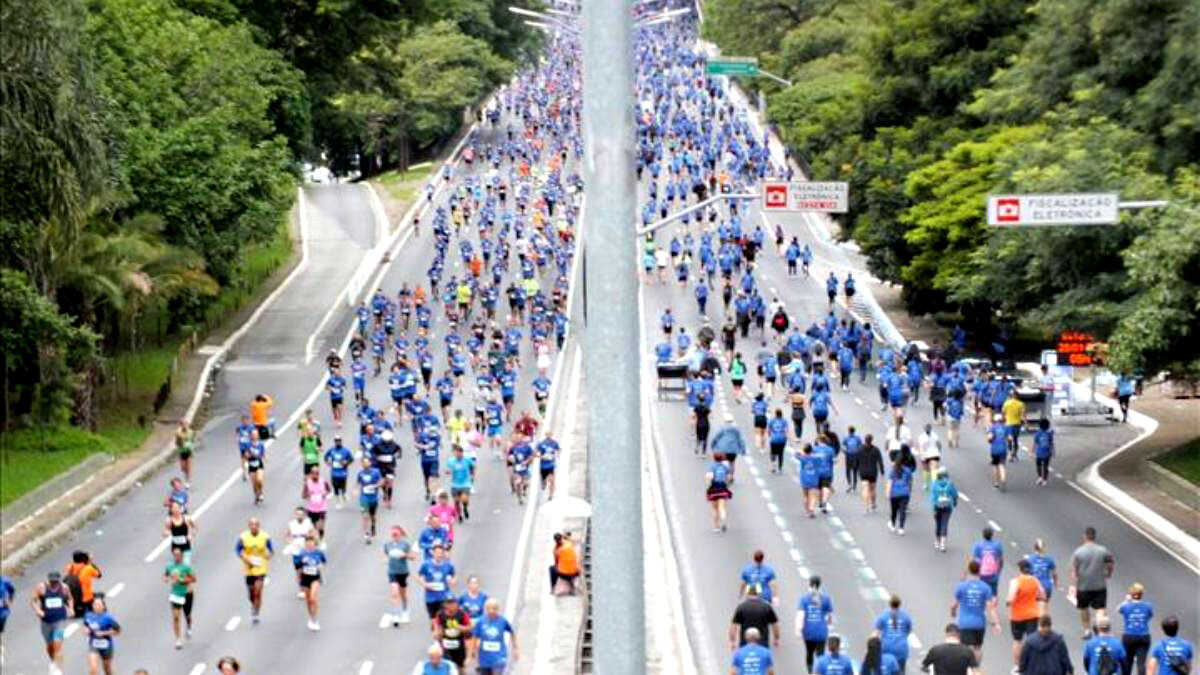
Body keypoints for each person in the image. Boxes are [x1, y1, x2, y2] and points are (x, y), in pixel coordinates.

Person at [952, 560, 1002, 661]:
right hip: (979, 624)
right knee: (977, 648)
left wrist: (952, 611)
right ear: (980, 571)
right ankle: (976, 668)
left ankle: (965, 668)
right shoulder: (986, 588)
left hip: (964, 623)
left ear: (969, 570)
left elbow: (954, 604)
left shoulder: (961, 586)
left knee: (964, 648)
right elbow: (990, 608)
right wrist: (996, 623)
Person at [1071, 527, 1115, 637]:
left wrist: (1074, 584)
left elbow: (1074, 570)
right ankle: (1100, 629)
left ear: (1085, 536)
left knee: (1083, 608)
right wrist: (1108, 574)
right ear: (1094, 537)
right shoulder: (1103, 550)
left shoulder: (1079, 552)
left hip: (1083, 585)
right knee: (1100, 608)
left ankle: (1087, 630)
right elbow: (1110, 563)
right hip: (1099, 584)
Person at [1010, 559, 1049, 669]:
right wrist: (1035, 598)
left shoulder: (1016, 581)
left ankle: (1017, 665)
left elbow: (1010, 598)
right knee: (1031, 639)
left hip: (1017, 615)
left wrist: (1010, 602)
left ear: (1020, 569)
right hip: (1032, 615)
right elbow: (1043, 595)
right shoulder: (1035, 581)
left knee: (1017, 641)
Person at [31, 571, 72, 674]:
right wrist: (38, 611)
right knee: (50, 646)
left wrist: (71, 608)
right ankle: (53, 662)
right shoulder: (41, 588)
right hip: (46, 621)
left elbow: (70, 598)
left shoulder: (64, 588)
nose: (54, 583)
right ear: (48, 580)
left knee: (57, 644)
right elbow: (32, 600)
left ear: (59, 580)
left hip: (60, 620)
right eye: (52, 581)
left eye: (56, 581)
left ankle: (58, 669)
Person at [235, 517, 272, 624]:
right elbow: (238, 549)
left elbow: (270, 550)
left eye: (256, 524)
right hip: (249, 567)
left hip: (261, 567)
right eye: (251, 524)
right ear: (249, 526)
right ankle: (253, 604)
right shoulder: (243, 537)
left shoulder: (265, 536)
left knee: (258, 591)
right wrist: (244, 557)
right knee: (251, 593)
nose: (254, 526)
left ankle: (256, 613)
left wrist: (268, 555)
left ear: (259, 526)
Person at [796, 576, 834, 672]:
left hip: (808, 631)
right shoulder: (826, 598)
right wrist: (829, 625)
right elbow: (830, 615)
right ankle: (820, 671)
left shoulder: (804, 599)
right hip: (821, 630)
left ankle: (810, 672)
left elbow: (800, 615)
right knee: (821, 654)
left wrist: (799, 630)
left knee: (809, 652)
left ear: (809, 584)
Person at [471, 599, 518, 674]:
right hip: (484, 657)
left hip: (499, 656)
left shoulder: (503, 621)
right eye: (489, 608)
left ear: (498, 609)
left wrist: (515, 648)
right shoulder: (480, 621)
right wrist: (472, 651)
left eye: (494, 608)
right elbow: (475, 636)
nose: (491, 611)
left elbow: (512, 632)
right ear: (485, 609)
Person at [383, 525, 417, 626]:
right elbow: (385, 555)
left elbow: (413, 557)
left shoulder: (405, 544)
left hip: (403, 571)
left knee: (402, 594)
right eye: (392, 534)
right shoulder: (387, 544)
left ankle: (405, 611)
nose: (394, 535)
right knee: (394, 592)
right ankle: (396, 614)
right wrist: (385, 559)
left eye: (396, 534)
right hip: (392, 571)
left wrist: (404, 555)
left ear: (400, 534)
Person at [731, 585, 780, 653]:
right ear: (759, 593)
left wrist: (733, 641)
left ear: (747, 593)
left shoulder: (741, 607)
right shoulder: (767, 607)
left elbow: (734, 626)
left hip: (745, 643)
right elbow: (775, 625)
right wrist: (776, 638)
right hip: (762, 643)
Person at [1117, 584, 1154, 675]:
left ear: (1131, 594)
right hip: (1144, 635)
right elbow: (1150, 616)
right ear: (1142, 594)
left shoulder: (1126, 606)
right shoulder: (1147, 606)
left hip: (1129, 636)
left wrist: (1126, 600)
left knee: (1127, 662)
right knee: (1141, 662)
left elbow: (1118, 609)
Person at [164, 547, 196, 648]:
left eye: (178, 555)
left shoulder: (186, 567)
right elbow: (166, 575)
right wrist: (167, 579)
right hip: (175, 594)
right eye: (175, 555)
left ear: (182, 556)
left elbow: (193, 579)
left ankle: (189, 626)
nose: (177, 557)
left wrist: (181, 580)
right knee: (176, 617)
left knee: (187, 614)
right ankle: (178, 639)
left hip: (186, 593)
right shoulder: (170, 566)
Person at [83, 596, 121, 675]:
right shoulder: (88, 615)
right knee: (93, 668)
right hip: (93, 644)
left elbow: (118, 631)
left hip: (106, 646)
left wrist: (104, 633)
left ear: (103, 606)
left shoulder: (108, 618)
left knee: (107, 669)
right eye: (95, 604)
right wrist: (86, 630)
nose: (97, 606)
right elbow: (86, 625)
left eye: (99, 605)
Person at [874, 595, 914, 671]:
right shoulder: (906, 616)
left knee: (887, 669)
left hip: (886, 647)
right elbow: (909, 630)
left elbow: (877, 632)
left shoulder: (883, 615)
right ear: (899, 604)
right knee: (900, 670)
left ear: (890, 604)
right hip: (901, 647)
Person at [433, 595, 473, 669]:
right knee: (447, 667)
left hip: (459, 645)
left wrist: (460, 627)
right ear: (444, 604)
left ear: (456, 604)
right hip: (446, 646)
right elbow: (437, 625)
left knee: (461, 667)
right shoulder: (441, 614)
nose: (450, 605)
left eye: (452, 603)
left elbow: (469, 627)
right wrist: (437, 632)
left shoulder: (462, 614)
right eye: (448, 603)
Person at [419, 544, 456, 619]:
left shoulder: (448, 565)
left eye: (441, 553)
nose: (439, 555)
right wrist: (425, 584)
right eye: (437, 553)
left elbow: (454, 576)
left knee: (442, 619)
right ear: (433, 553)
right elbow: (420, 575)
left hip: (443, 596)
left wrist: (452, 581)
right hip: (430, 597)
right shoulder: (426, 564)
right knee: (433, 620)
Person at [296, 535, 326, 630]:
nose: (309, 544)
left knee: (313, 598)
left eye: (311, 542)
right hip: (305, 578)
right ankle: (311, 618)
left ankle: (315, 620)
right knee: (308, 600)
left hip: (315, 578)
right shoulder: (301, 553)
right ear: (305, 543)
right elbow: (298, 567)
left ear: (314, 543)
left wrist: (320, 566)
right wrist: (299, 578)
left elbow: (323, 562)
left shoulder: (319, 552)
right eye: (307, 542)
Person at [65, 550, 103, 618]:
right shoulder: (88, 568)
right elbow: (99, 575)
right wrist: (90, 562)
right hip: (86, 598)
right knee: (101, 595)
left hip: (72, 597)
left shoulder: (69, 567)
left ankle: (74, 608)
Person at [929, 467, 958, 551]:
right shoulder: (950, 484)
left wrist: (933, 507)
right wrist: (955, 502)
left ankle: (937, 541)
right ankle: (943, 544)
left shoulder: (934, 484)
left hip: (937, 506)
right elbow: (955, 494)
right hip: (947, 506)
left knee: (938, 524)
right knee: (944, 524)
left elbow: (933, 497)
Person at [971, 526, 1005, 596]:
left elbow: (973, 561)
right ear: (992, 535)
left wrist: (973, 573)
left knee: (981, 592)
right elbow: (1001, 560)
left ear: (983, 535)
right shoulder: (997, 545)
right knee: (993, 593)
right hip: (993, 574)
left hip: (981, 573)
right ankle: (993, 605)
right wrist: (998, 572)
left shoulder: (978, 545)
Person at [1026, 539, 1059, 607]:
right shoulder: (1049, 560)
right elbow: (1054, 574)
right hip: (1046, 586)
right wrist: (1056, 584)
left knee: (1031, 606)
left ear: (1034, 548)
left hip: (1033, 586)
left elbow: (1026, 574)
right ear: (1044, 548)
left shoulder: (1030, 559)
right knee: (1044, 607)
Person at [357, 455, 383, 544]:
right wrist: (356, 490)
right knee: (365, 516)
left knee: (373, 516)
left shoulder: (376, 472)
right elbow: (358, 483)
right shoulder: (360, 473)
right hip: (364, 498)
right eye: (363, 462)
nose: (365, 464)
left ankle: (373, 526)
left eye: (367, 462)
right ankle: (367, 535)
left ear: (370, 463)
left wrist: (375, 486)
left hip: (373, 498)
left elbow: (381, 482)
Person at [886, 459, 914, 535]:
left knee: (894, 511)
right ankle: (901, 528)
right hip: (905, 493)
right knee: (902, 511)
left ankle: (893, 524)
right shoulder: (907, 470)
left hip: (894, 494)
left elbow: (890, 483)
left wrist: (888, 493)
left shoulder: (893, 471)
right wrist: (909, 490)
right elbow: (910, 481)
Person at [707, 453, 734, 532]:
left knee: (714, 508)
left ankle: (716, 526)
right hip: (723, 488)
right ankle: (723, 521)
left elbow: (709, 477)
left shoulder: (712, 467)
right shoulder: (725, 467)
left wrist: (709, 485)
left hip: (714, 489)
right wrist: (727, 485)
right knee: (722, 507)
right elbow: (729, 478)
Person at [859, 435, 885, 513]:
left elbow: (857, 460)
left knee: (865, 489)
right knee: (872, 489)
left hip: (863, 471)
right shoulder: (876, 450)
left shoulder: (860, 449)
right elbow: (880, 461)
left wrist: (856, 468)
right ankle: (873, 504)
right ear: (871, 440)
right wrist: (882, 470)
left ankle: (866, 506)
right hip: (873, 472)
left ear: (865, 440)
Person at [987, 414, 1010, 489]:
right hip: (1003, 449)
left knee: (995, 466)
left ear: (995, 420)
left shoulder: (992, 428)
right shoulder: (1005, 427)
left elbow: (989, 438)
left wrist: (991, 441)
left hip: (994, 449)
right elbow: (1010, 438)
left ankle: (996, 482)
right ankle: (1003, 479)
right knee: (1002, 465)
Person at [1033, 419, 1054, 486]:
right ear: (1048, 426)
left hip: (1039, 453)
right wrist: (1053, 451)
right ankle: (1045, 479)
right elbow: (1051, 443)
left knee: (1038, 465)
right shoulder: (1049, 434)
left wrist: (1032, 451)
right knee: (1045, 466)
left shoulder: (1037, 434)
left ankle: (1040, 477)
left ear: (1039, 426)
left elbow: (1035, 443)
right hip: (1047, 453)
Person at [175, 420, 195, 486]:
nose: (185, 426)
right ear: (181, 425)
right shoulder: (178, 432)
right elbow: (177, 442)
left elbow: (192, 441)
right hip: (182, 451)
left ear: (188, 425)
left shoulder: (191, 432)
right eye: (183, 424)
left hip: (188, 451)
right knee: (183, 468)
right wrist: (180, 444)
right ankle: (186, 475)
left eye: (186, 424)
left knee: (188, 467)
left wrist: (191, 448)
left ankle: (187, 481)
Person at [0, 573, 14, 662]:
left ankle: (1, 650)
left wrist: (10, 601)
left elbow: (12, 590)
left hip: (2, 613)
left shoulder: (5, 581)